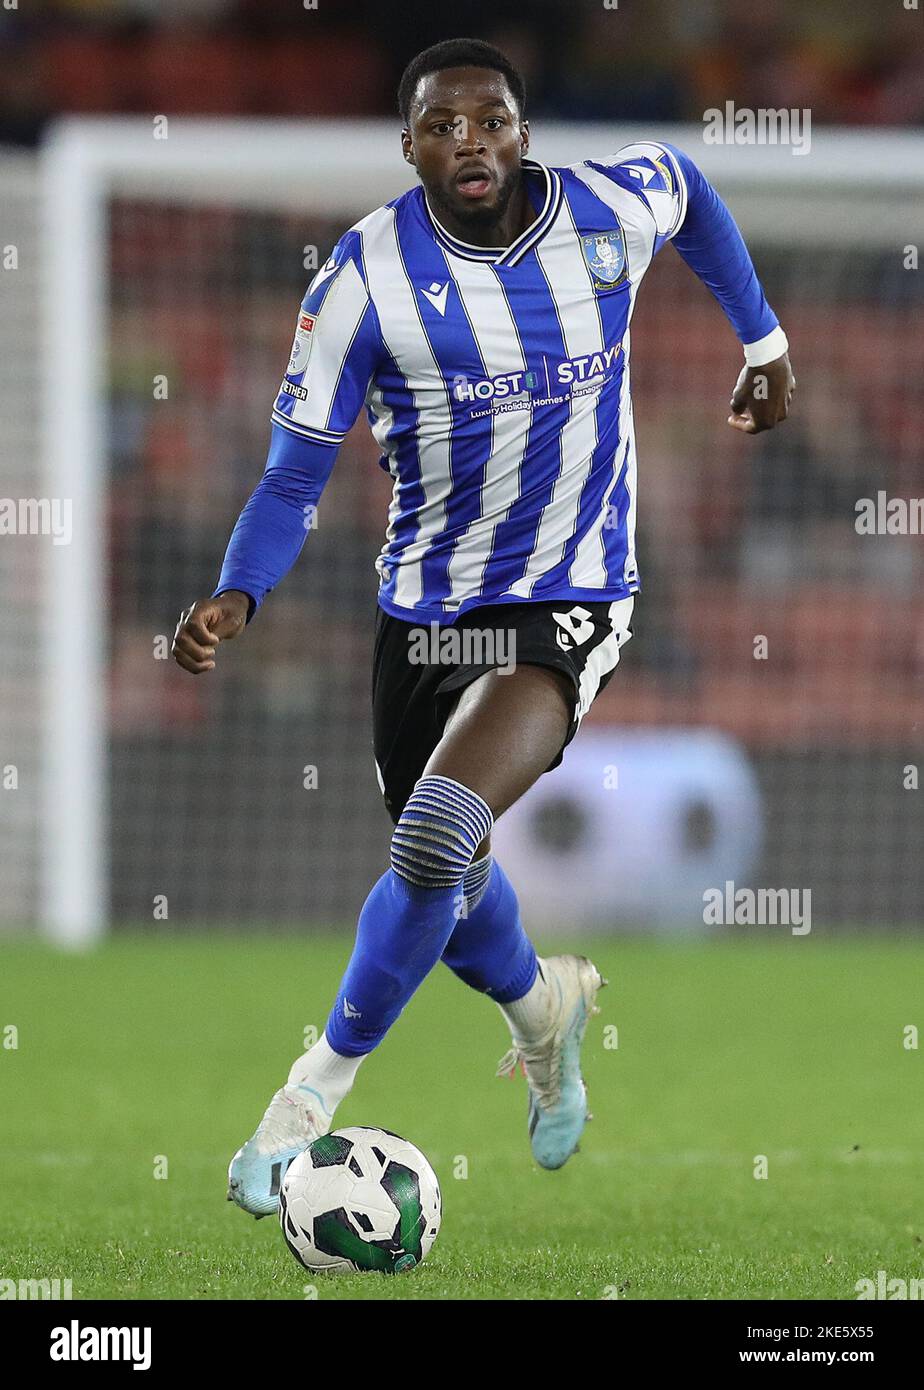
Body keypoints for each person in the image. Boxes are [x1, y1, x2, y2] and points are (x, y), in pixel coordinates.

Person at [172, 37, 795, 1217]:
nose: (474, 143)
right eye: (445, 127)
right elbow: (294, 479)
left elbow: (696, 191)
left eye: (494, 120)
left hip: (571, 596)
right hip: (423, 612)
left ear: (523, 128)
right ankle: (544, 1015)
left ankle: (307, 1098)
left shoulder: (608, 212)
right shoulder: (361, 280)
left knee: (433, 833)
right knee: (451, 888)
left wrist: (762, 342)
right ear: (408, 146)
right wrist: (237, 590)